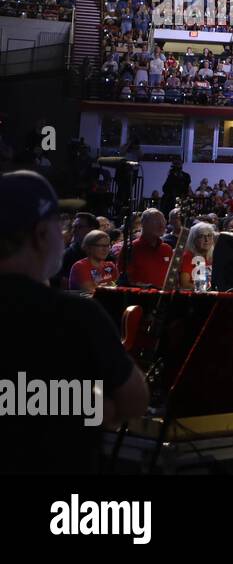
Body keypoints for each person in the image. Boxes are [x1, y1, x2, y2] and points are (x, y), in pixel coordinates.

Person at [0, 171, 149, 474]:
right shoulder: (75, 316)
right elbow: (133, 401)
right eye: (60, 225)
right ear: (41, 235)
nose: (66, 235)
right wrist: (91, 402)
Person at [124, 208, 174, 287]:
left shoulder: (167, 249)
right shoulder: (131, 248)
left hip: (165, 297)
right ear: (143, 223)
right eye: (156, 221)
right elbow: (124, 281)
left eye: (164, 221)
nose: (161, 225)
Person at [178, 222, 217, 290]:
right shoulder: (188, 256)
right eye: (201, 236)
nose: (206, 240)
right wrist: (205, 289)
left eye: (209, 235)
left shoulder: (215, 255)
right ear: (193, 239)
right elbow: (184, 284)